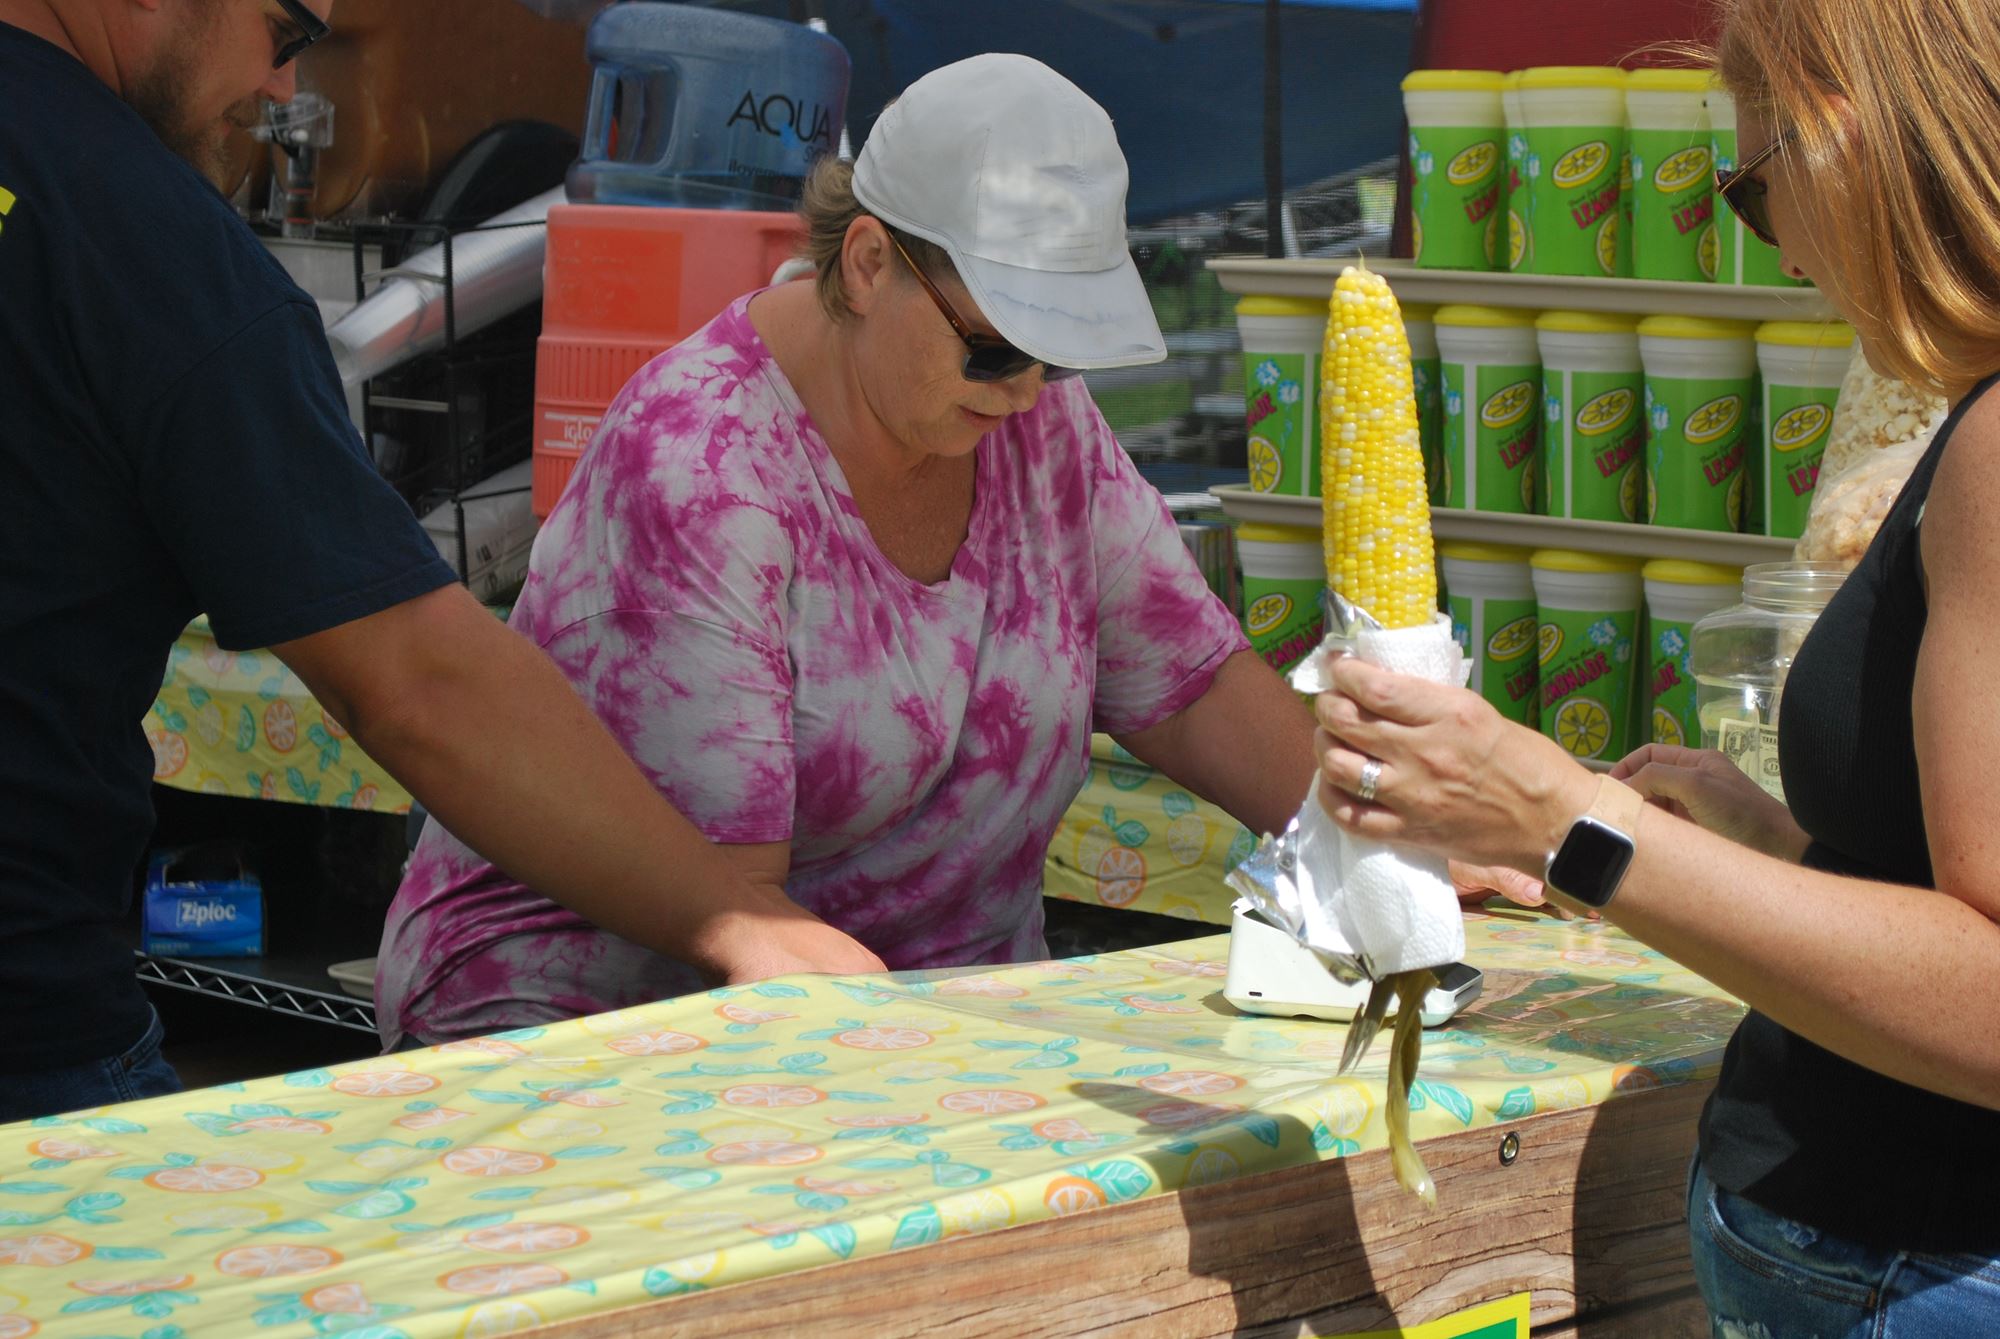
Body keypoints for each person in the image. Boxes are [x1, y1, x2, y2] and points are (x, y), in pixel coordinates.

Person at [374, 54, 1548, 1047]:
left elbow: (1189, 685)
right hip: (609, 1028)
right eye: (995, 347)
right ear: (867, 262)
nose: (1028, 388)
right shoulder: (703, 468)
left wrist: (1380, 840)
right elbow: (735, 918)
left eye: (1057, 352)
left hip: (925, 1019)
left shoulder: (1032, 418)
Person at [0, 0, 881, 1124]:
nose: (284, 88)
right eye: (287, 29)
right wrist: (743, 923)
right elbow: (414, 679)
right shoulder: (142, 243)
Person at [1309, 0, 2000, 1330]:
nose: (1774, 250)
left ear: (1842, 143)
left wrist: (1571, 822)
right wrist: (1775, 849)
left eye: (1748, 188)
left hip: (1918, 1261)